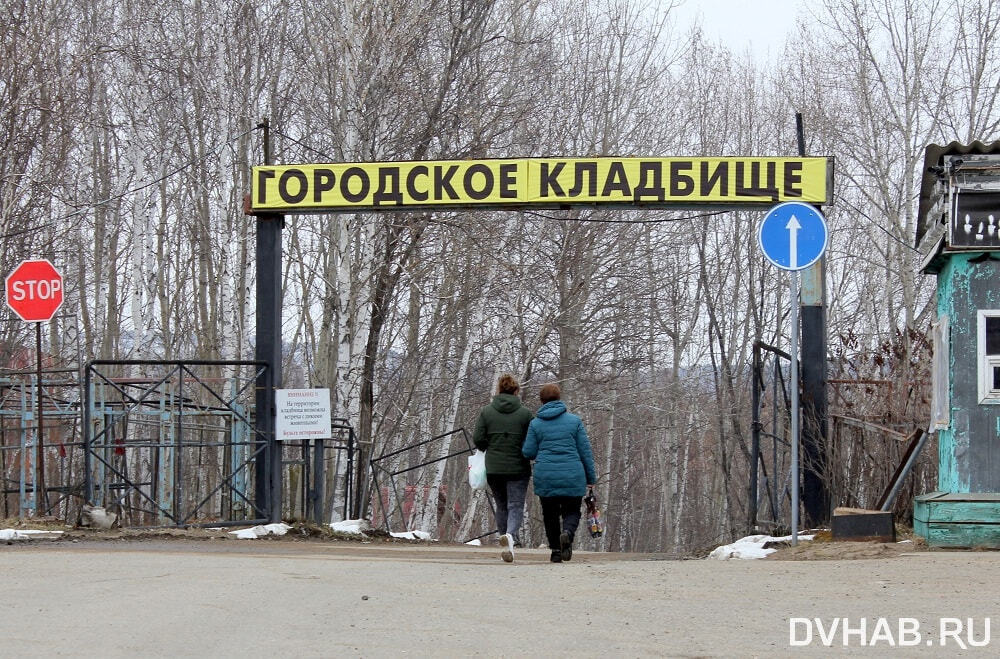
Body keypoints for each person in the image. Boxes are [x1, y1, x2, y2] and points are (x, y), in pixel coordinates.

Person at [522, 383, 597, 563]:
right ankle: (568, 533)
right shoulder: (574, 421)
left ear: (542, 401)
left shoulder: (535, 424)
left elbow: (528, 452)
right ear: (559, 398)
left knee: (550, 514)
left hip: (546, 475)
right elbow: (585, 451)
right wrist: (591, 478)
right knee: (572, 510)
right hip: (573, 474)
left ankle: (556, 550)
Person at [472, 373, 534, 563]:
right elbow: (531, 440)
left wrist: (489, 445)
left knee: (501, 505)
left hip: (494, 467)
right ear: (516, 391)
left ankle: (504, 537)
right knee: (515, 505)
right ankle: (511, 536)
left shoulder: (487, 412)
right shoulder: (525, 414)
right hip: (518, 467)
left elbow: (478, 439)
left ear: (499, 390)